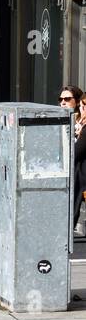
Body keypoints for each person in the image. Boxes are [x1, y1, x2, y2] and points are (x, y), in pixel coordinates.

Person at [61, 86, 86, 238]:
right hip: (75, 169)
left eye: (67, 99)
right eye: (61, 99)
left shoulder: (82, 126)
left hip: (80, 172)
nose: (63, 103)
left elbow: (76, 152)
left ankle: (67, 228)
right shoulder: (77, 124)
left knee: (76, 178)